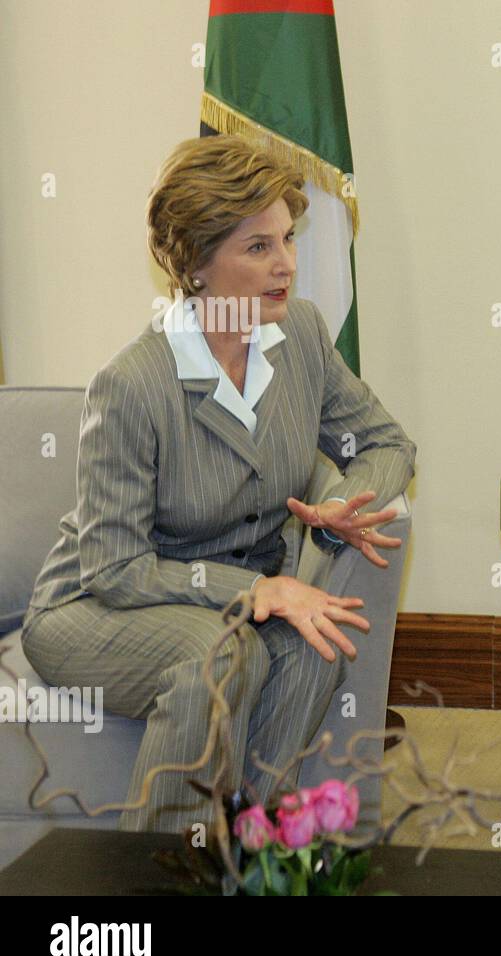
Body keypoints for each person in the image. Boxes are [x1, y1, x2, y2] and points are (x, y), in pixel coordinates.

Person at [20, 134, 417, 834]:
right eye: (258, 247)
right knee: (216, 653)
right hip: (96, 604)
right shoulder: (133, 385)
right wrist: (255, 591)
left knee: (314, 641)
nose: (287, 265)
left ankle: (243, 846)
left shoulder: (300, 339)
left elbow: (385, 443)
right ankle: (158, 880)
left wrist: (344, 504)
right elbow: (114, 568)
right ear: (197, 262)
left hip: (227, 604)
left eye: (287, 238)